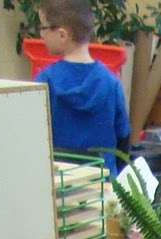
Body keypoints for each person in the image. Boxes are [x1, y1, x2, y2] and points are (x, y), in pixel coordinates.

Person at [36, 0, 130, 176]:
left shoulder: (43, 83)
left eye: (43, 27)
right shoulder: (111, 83)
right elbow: (123, 142)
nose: (41, 34)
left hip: (61, 185)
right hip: (103, 185)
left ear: (62, 35)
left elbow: (33, 140)